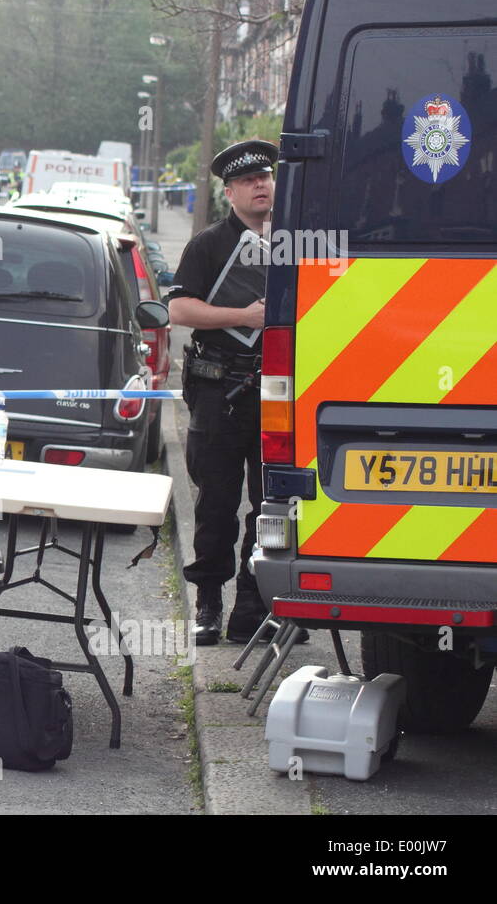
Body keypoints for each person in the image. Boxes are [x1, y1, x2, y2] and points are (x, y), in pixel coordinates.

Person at [167, 139, 306, 647]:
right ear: (230, 192)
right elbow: (179, 310)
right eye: (249, 181)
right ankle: (208, 603)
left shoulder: (296, 240)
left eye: (266, 177)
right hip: (220, 388)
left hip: (279, 389)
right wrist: (244, 317)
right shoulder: (209, 244)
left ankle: (254, 605)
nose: (262, 185)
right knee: (216, 503)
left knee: (272, 502)